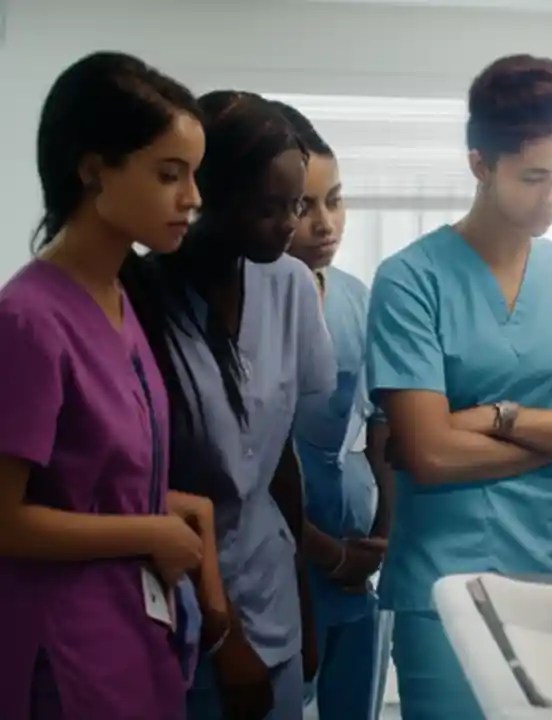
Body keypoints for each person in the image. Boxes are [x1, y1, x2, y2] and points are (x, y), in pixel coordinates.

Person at [365, 54, 552, 720]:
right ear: (480, 163)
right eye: (533, 176)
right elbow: (428, 455)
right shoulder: (411, 280)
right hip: (445, 584)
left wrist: (493, 416)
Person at [0, 51, 217, 719]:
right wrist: (148, 530)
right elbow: (6, 520)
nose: (193, 199)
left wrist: (175, 507)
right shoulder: (29, 319)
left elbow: (88, 473)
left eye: (194, 176)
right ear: (94, 170)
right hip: (66, 643)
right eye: (169, 175)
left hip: (133, 623)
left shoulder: (116, 298)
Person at [136, 91, 337, 720]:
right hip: (172, 595)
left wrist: (303, 604)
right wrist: (226, 638)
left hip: (270, 580)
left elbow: (279, 462)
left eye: (296, 205)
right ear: (210, 197)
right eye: (268, 208)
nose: (290, 225)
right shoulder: (139, 298)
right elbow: (147, 486)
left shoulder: (290, 286)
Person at [272, 101, 394, 719]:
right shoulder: (248, 306)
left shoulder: (355, 297)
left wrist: (384, 537)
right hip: (285, 563)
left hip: (361, 568)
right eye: (303, 207)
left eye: (336, 200)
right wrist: (325, 550)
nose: (326, 224)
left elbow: (379, 429)